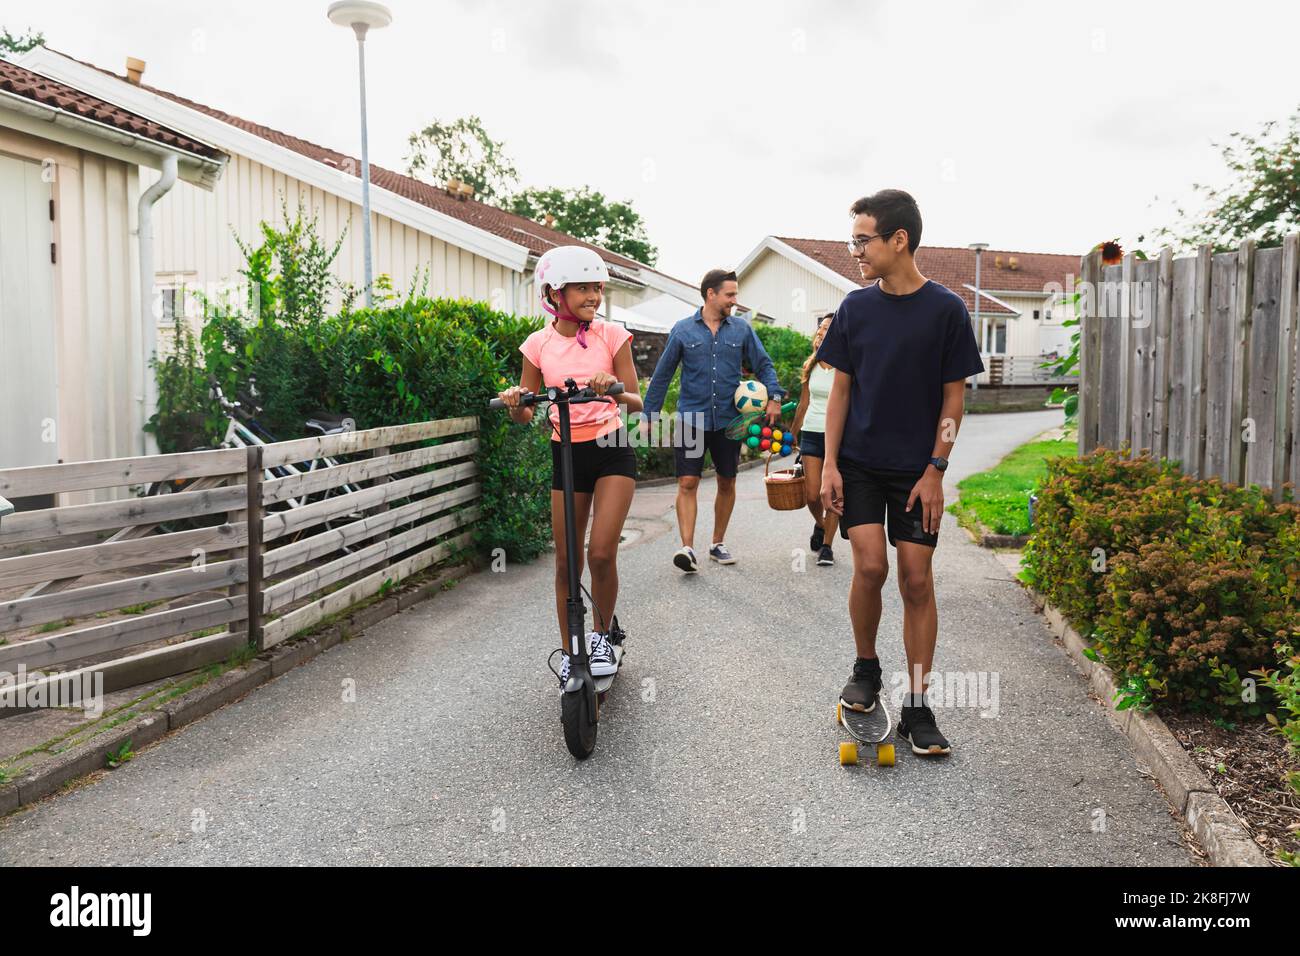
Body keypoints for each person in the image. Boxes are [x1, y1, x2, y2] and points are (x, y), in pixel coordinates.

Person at [816, 190, 985, 756]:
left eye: (862, 240)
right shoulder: (855, 309)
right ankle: (866, 667)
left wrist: (937, 469)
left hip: (918, 472)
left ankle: (917, 705)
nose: (854, 251)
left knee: (916, 579)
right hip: (860, 466)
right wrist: (831, 465)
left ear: (898, 240)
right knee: (869, 566)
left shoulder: (947, 311)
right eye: (853, 239)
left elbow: (953, 400)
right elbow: (839, 391)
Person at [497, 245, 643, 685]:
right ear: (555, 293)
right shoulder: (537, 345)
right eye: (582, 288)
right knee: (565, 563)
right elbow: (525, 411)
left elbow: (636, 401)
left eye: (597, 287)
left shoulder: (612, 336)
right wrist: (514, 402)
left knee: (600, 551)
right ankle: (570, 649)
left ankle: (601, 638)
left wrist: (612, 388)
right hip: (566, 453)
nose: (593, 296)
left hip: (611, 445)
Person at [641, 269, 785, 572]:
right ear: (711, 294)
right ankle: (687, 548)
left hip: (730, 421)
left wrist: (775, 396)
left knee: (727, 480)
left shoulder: (742, 331)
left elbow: (764, 364)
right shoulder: (682, 330)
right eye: (730, 295)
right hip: (691, 419)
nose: (735, 300)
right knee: (688, 481)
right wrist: (648, 416)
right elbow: (662, 375)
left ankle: (717, 542)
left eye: (735, 294)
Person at [790, 312, 838, 567]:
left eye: (828, 328)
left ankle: (828, 547)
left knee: (832, 493)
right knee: (812, 495)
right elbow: (804, 403)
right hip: (811, 432)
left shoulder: (845, 367)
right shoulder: (811, 366)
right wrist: (792, 433)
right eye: (820, 328)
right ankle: (820, 525)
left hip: (837, 436)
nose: (821, 332)